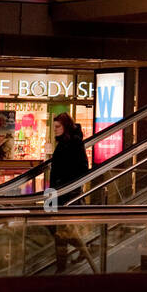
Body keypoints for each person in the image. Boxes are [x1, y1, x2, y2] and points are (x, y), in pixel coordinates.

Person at [48, 113, 97, 274]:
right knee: (55, 228)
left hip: (65, 193)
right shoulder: (63, 142)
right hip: (55, 193)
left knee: (60, 231)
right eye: (54, 126)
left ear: (66, 127)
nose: (54, 130)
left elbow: (83, 167)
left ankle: (62, 266)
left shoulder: (74, 143)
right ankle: (82, 249)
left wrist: (67, 185)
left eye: (57, 126)